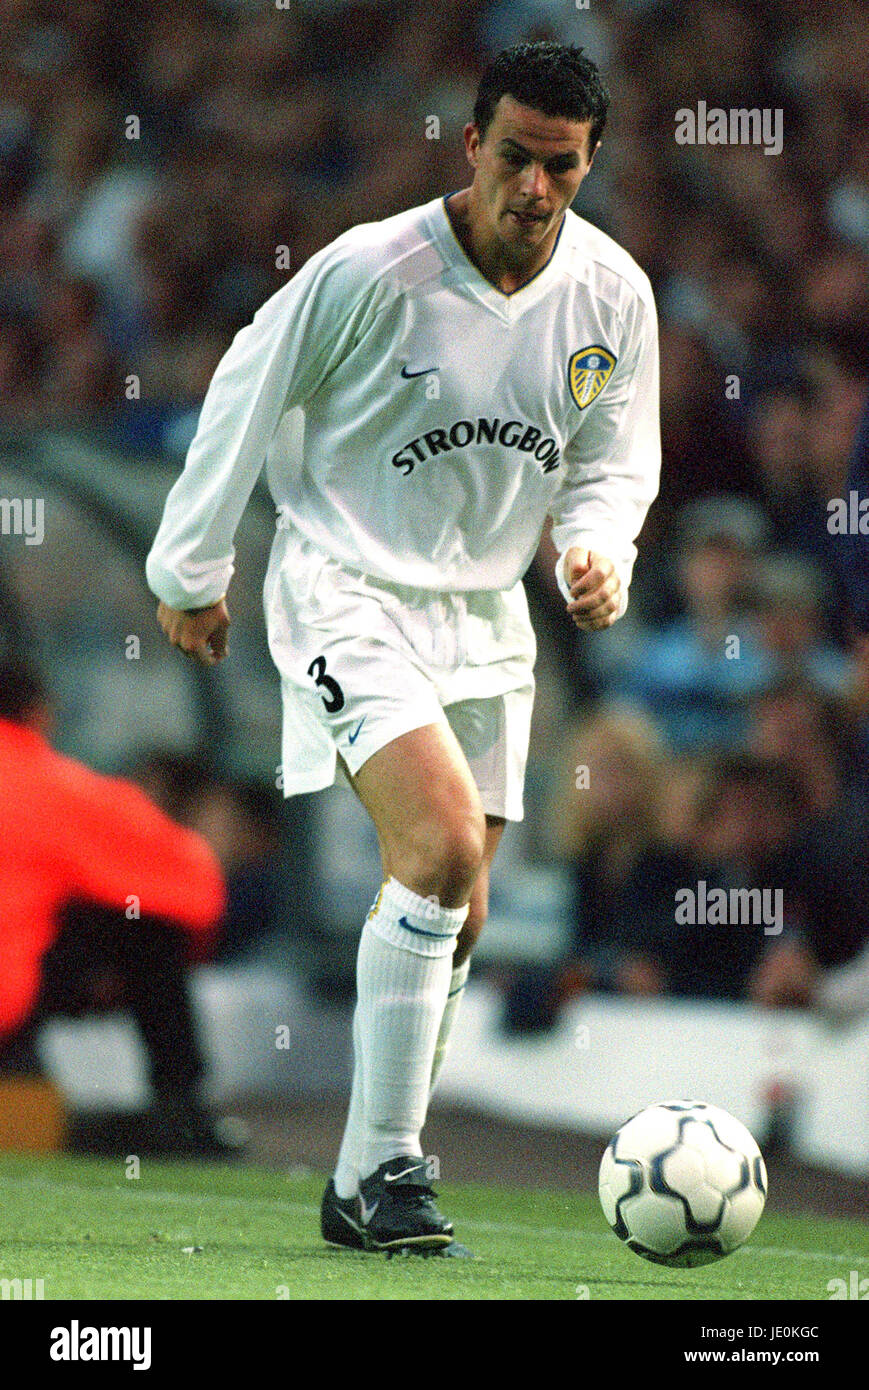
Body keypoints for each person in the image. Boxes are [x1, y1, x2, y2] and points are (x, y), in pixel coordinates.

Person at [146, 41, 660, 1253]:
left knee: (457, 911)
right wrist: (191, 566)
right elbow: (245, 385)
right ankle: (389, 1170)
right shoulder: (369, 271)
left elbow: (610, 463)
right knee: (430, 849)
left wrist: (597, 555)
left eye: (562, 167)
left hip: (486, 614)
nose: (534, 189)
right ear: (470, 145)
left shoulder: (610, 295)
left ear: (590, 164)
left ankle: (356, 1177)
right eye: (516, 159)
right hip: (344, 584)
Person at [0, 656, 230, 1154]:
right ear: (40, 714)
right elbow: (196, 886)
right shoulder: (63, 788)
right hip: (16, 994)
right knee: (148, 931)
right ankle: (180, 1109)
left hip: (16, 994)